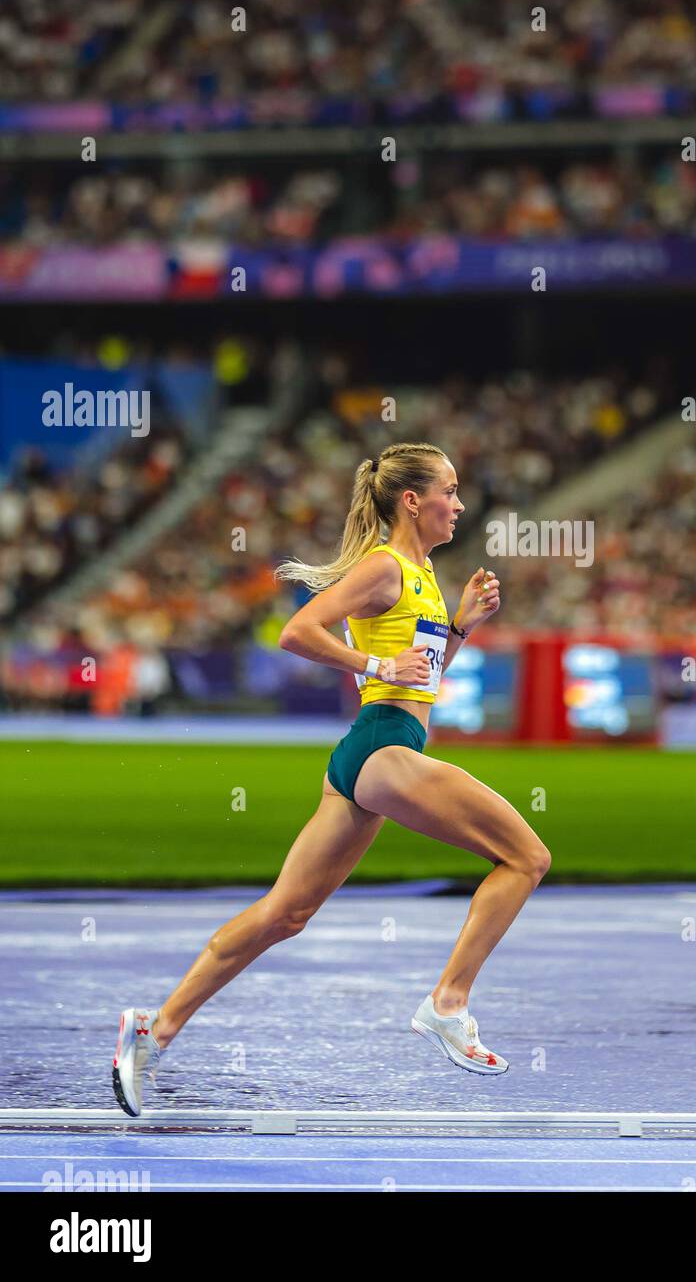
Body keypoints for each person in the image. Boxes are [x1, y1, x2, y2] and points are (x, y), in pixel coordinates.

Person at [112, 441, 551, 1116]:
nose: (459, 505)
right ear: (413, 500)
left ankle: (153, 1030)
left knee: (284, 915)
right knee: (526, 857)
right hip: (382, 749)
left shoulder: (423, 574)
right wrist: (373, 667)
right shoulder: (384, 567)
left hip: (369, 758)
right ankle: (448, 1003)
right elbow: (295, 631)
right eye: (450, 491)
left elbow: (423, 682)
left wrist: (460, 626)